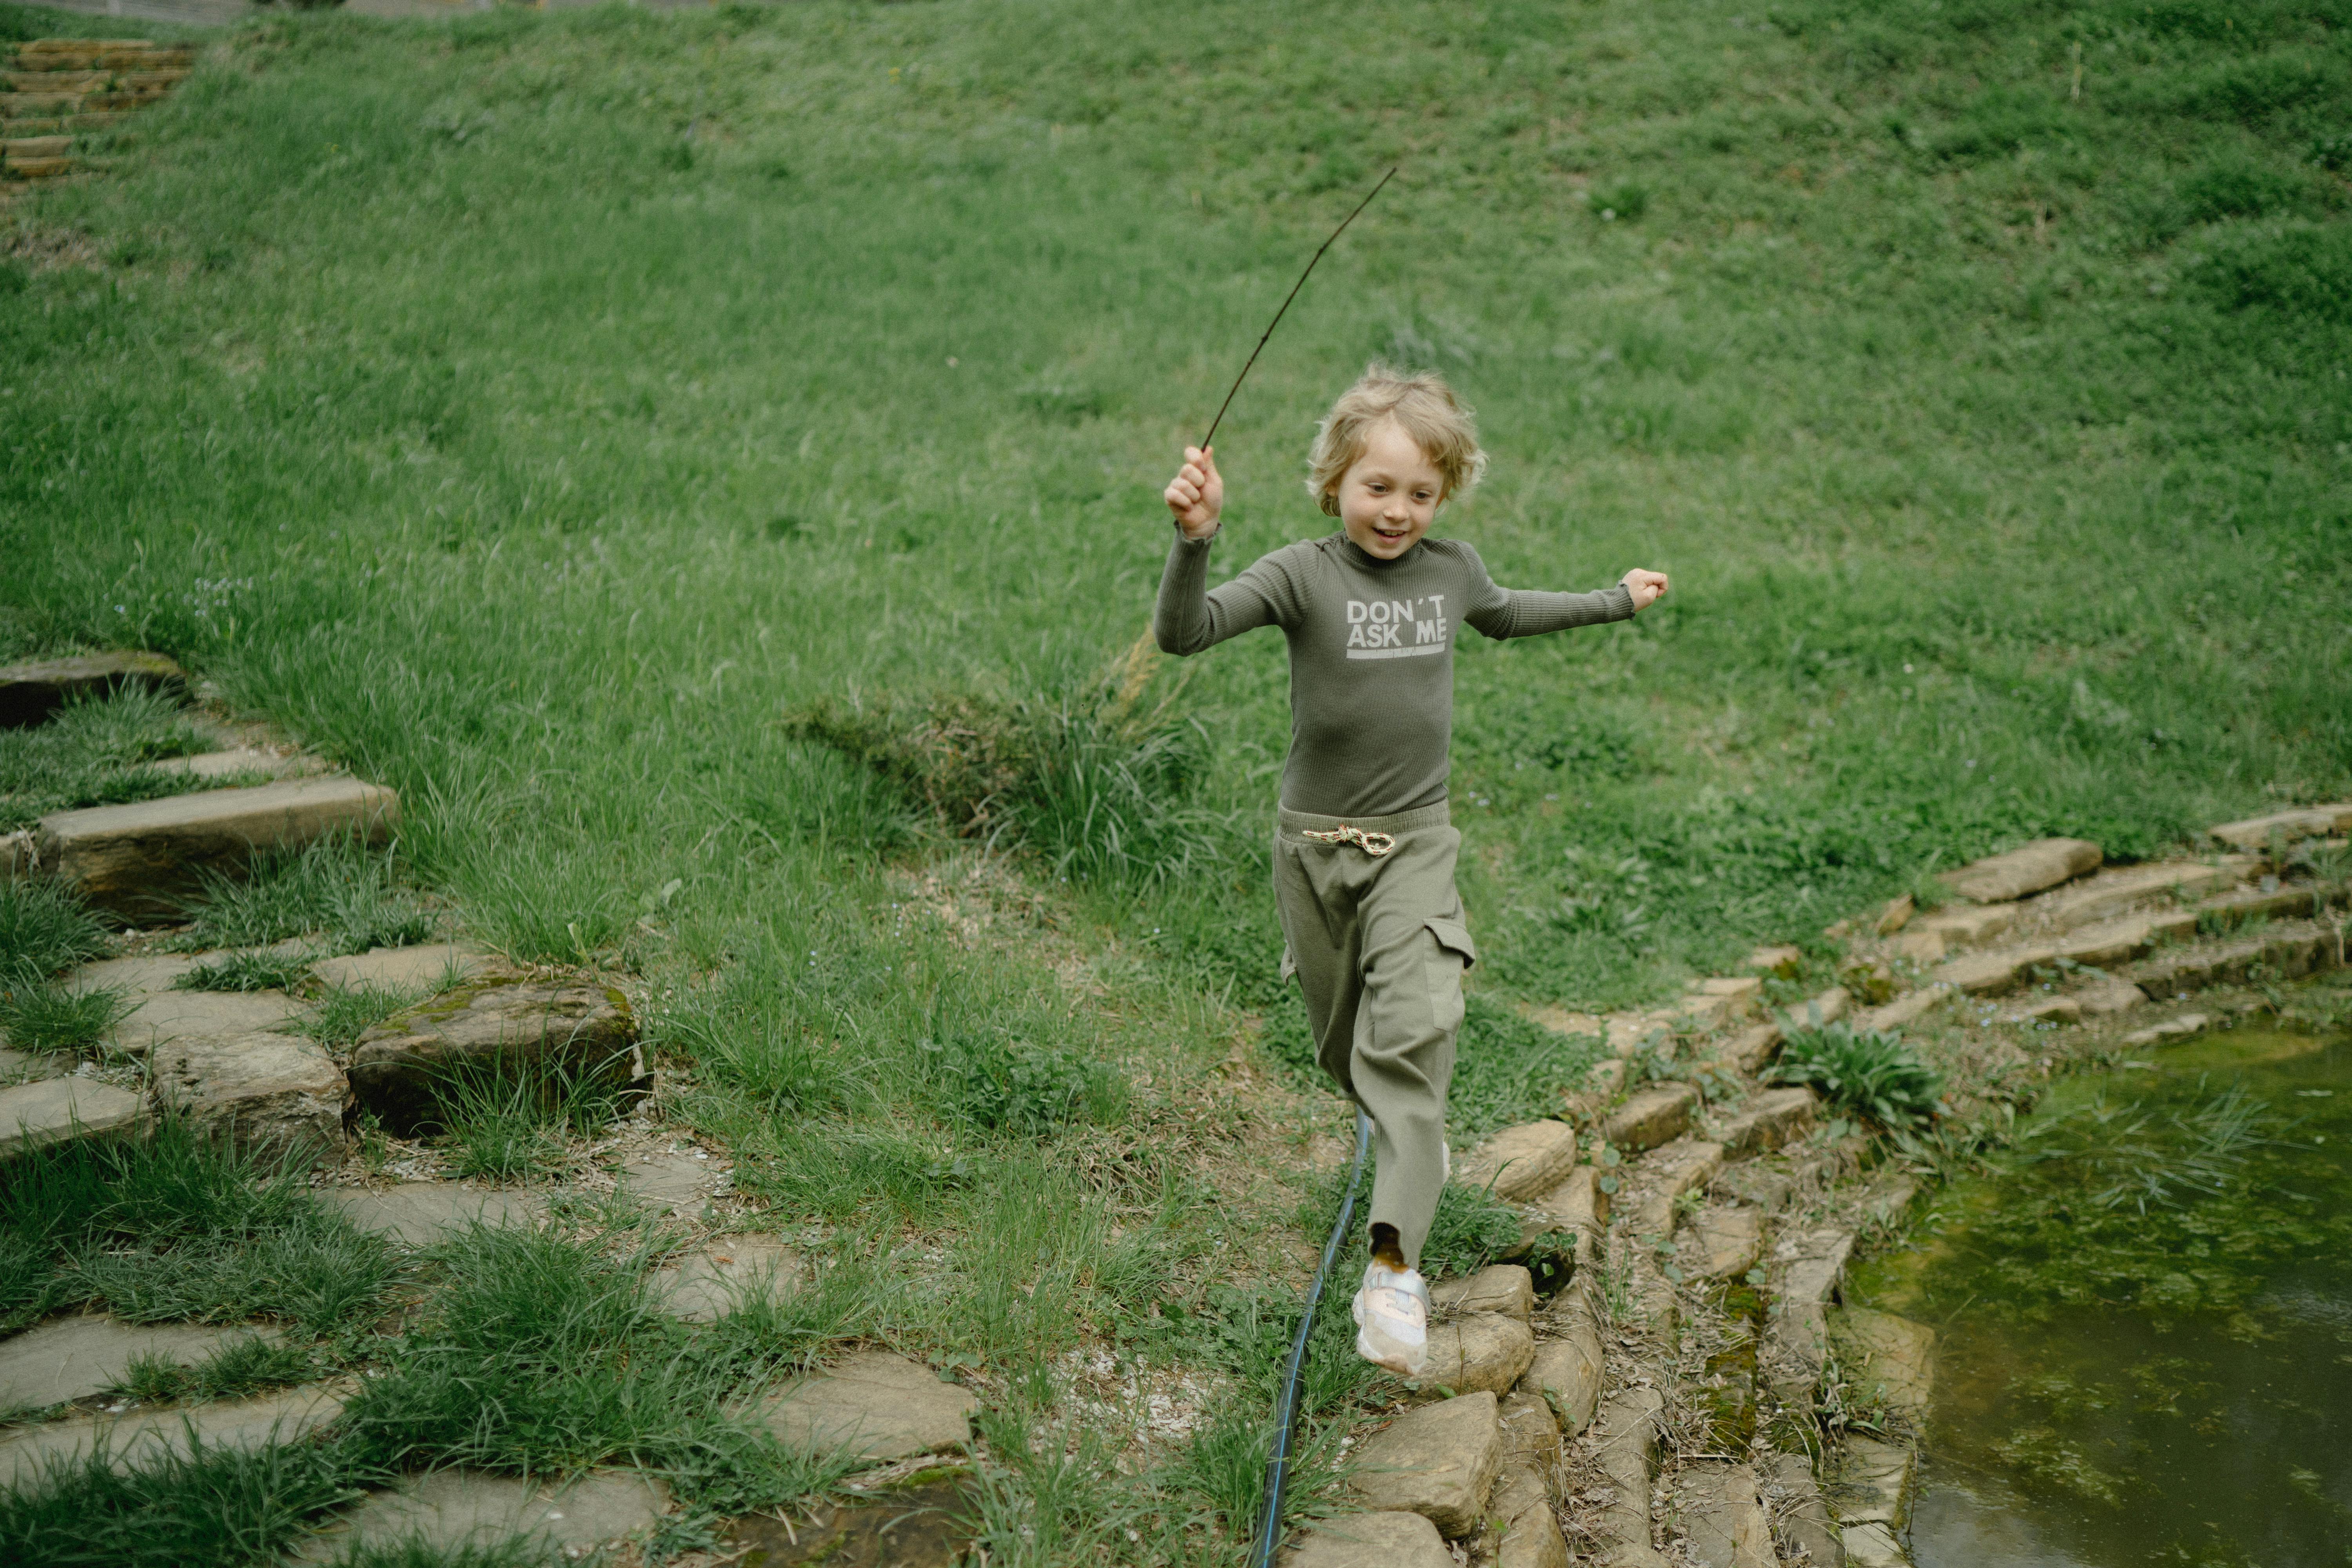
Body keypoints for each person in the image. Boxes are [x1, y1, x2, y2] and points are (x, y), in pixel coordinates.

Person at [1153, 364, 1669, 1376]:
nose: (1397, 511)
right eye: (1377, 488)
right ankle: (1403, 1143)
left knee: (1417, 1029)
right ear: (1334, 481)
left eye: (1421, 494)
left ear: (1446, 497)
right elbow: (1185, 634)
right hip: (1315, 853)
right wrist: (1194, 541)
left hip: (1417, 848)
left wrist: (1616, 600)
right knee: (1352, 1055)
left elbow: (1513, 611)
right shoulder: (1304, 575)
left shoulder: (1450, 573)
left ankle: (1394, 1270)